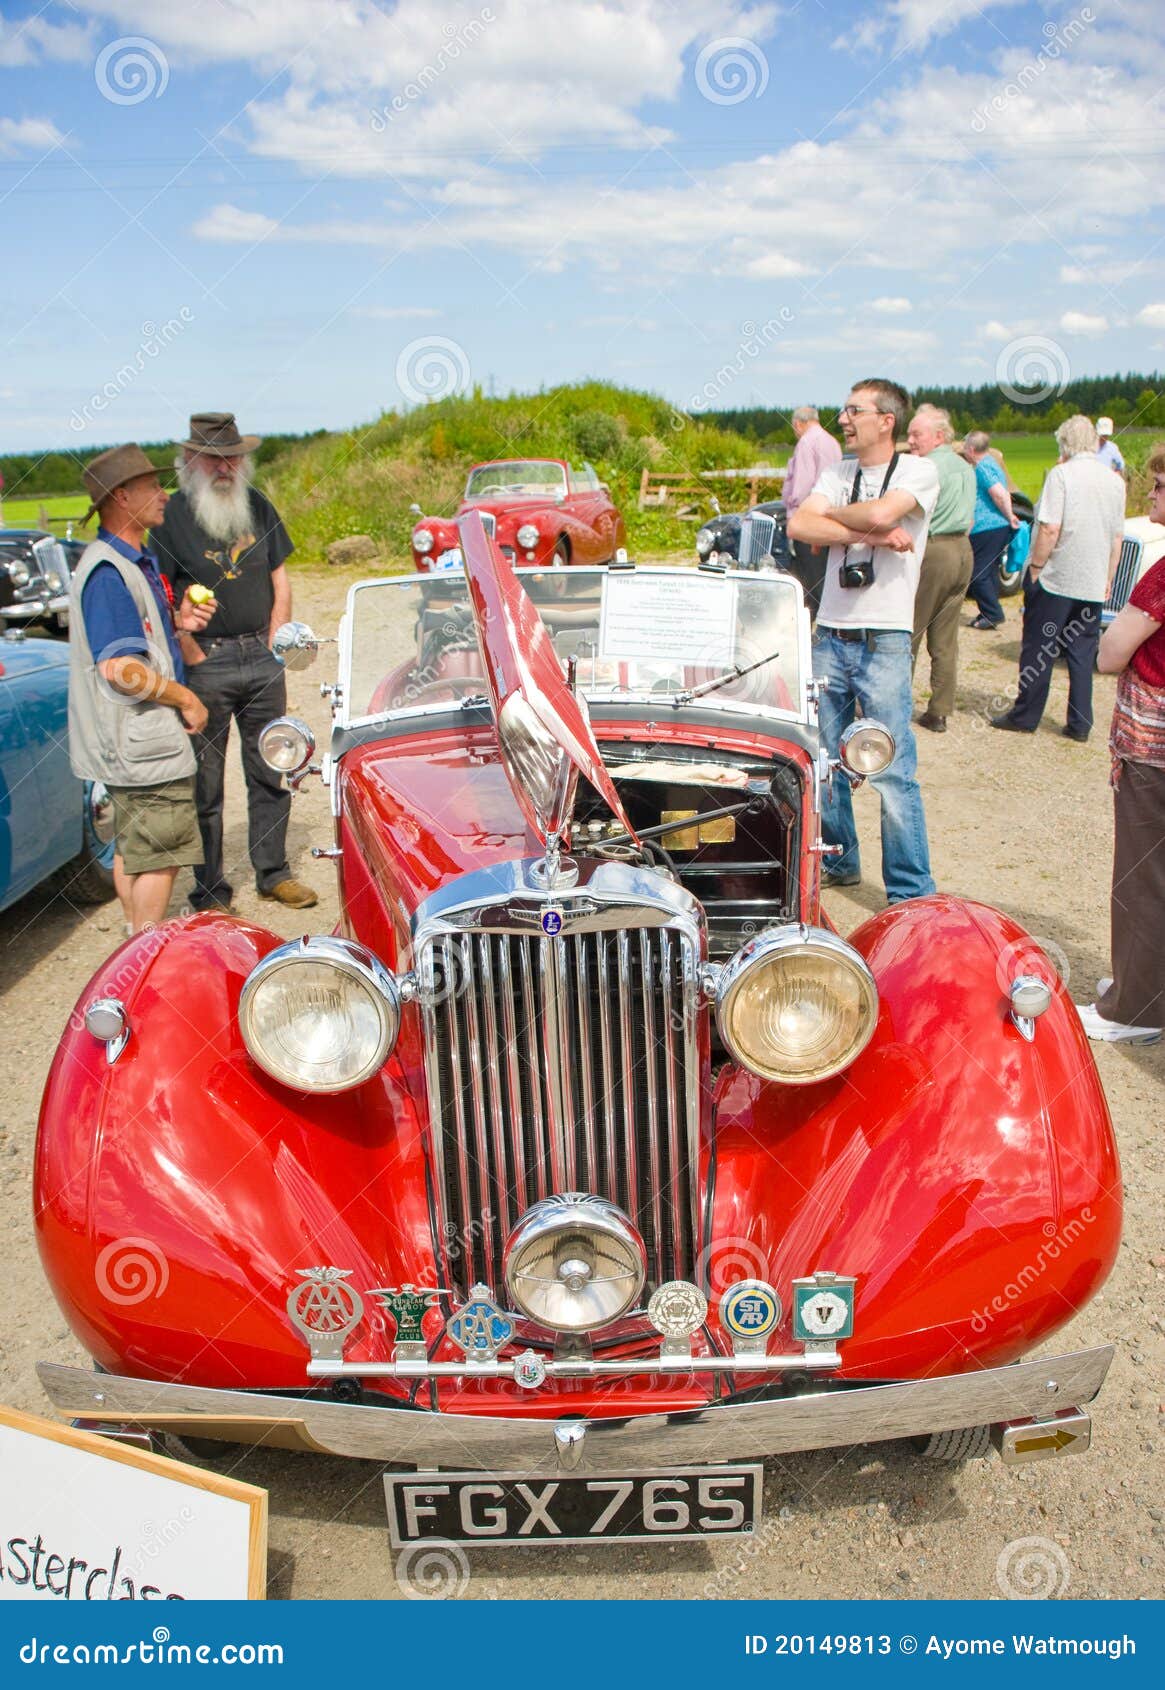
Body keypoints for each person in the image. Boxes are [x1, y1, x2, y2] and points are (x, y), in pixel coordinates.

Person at [151, 412, 317, 912]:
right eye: (214, 458)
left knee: (272, 764)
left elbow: (280, 576)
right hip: (207, 664)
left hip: (261, 657)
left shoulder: (258, 507)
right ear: (190, 462)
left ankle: (273, 873)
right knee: (206, 782)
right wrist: (188, 649)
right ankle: (209, 891)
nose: (225, 467)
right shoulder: (171, 517)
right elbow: (160, 595)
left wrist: (277, 639)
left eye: (233, 457)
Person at [787, 377, 939, 902]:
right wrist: (869, 535)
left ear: (886, 420)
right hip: (830, 632)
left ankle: (910, 890)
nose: (843, 420)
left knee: (893, 771)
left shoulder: (919, 470)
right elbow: (798, 525)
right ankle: (841, 860)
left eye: (854, 411)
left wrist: (843, 517)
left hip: (885, 639)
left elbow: (875, 510)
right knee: (824, 760)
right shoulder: (837, 470)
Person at [67, 444, 215, 934]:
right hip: (142, 744)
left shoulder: (129, 560)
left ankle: (133, 942)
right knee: (161, 854)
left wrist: (175, 623)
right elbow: (119, 670)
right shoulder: (109, 572)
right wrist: (186, 697)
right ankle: (146, 952)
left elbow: (133, 639)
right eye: (153, 486)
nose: (164, 495)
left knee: (135, 850)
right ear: (122, 497)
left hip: (132, 744)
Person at [1075, 446, 1165, 1044]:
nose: (1152, 495)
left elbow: (1110, 653)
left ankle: (1135, 1009)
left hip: (1153, 747)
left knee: (1143, 871)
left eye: (1159, 486)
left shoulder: (1160, 575)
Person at [992, 415, 1125, 741]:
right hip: (1093, 579)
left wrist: (1035, 567)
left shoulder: (1061, 475)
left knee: (1039, 648)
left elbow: (1050, 528)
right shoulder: (1115, 481)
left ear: (1065, 443)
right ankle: (1080, 724)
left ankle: (1026, 715)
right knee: (1081, 652)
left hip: (1057, 578)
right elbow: (1116, 538)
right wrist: (1108, 577)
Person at [907, 404, 975, 732]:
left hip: (934, 549)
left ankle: (895, 703)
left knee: (909, 630)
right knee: (946, 638)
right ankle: (940, 709)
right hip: (963, 548)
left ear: (938, 435)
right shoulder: (965, 466)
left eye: (916, 434)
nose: (910, 440)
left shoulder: (928, 468)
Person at [782, 405, 841, 615]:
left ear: (798, 424)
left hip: (809, 519)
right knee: (825, 572)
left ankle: (810, 620)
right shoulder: (832, 441)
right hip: (830, 518)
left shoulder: (806, 442)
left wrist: (792, 514)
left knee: (809, 576)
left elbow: (801, 485)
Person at [964, 431, 1019, 629]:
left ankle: (992, 613)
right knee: (990, 571)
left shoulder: (982, 468)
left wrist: (1009, 515)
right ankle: (988, 611)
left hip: (987, 527)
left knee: (977, 573)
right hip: (996, 527)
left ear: (971, 449)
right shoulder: (991, 463)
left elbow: (999, 494)